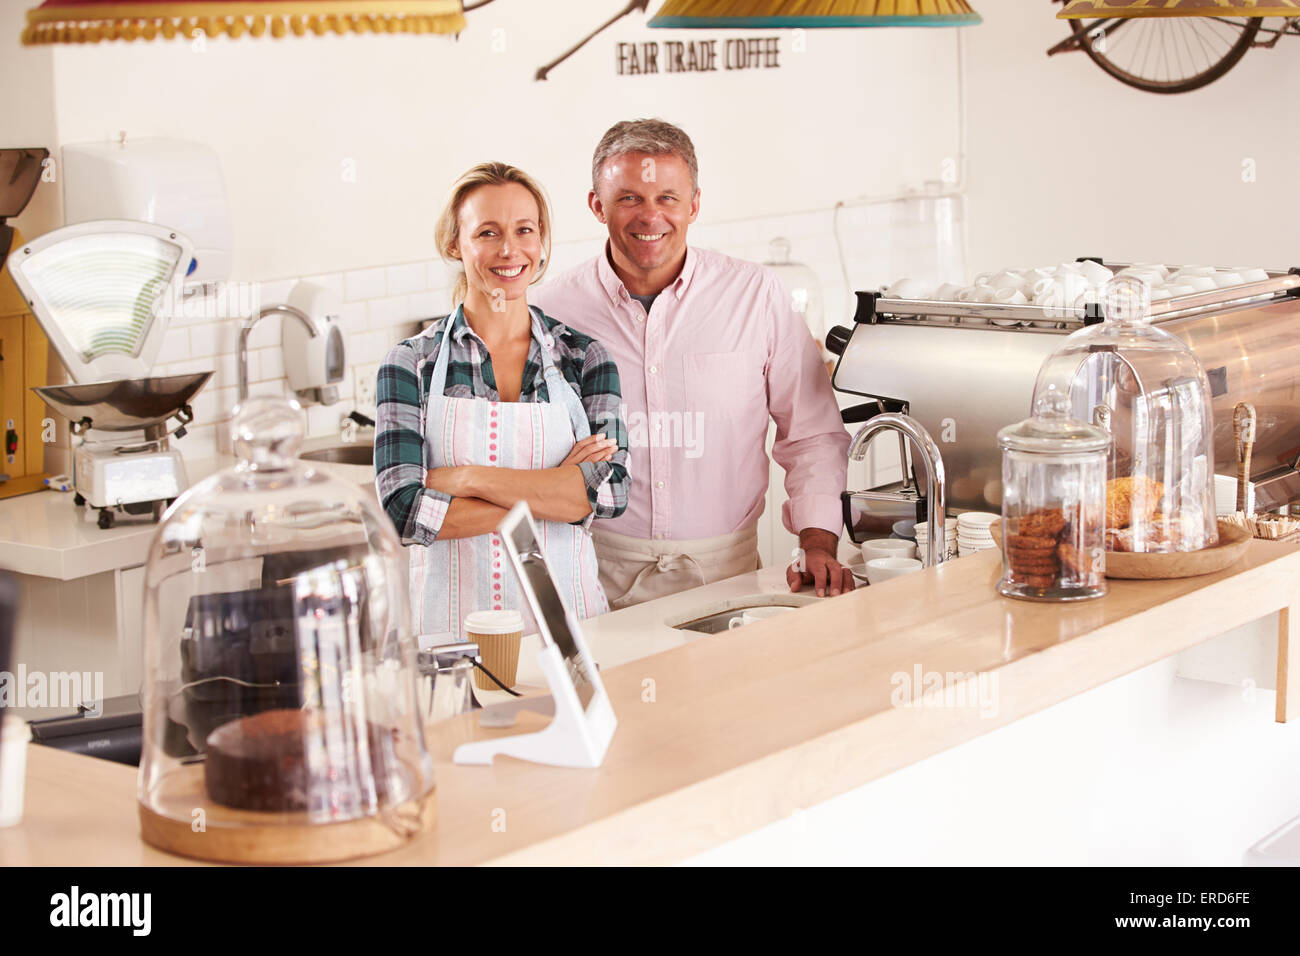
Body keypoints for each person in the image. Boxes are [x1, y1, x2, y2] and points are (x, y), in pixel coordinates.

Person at [531, 119, 852, 608]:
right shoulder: (552, 310)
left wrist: (817, 541)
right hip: (591, 575)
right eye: (629, 198)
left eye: (667, 198)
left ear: (694, 204)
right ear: (597, 205)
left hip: (729, 577)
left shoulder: (756, 295)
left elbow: (811, 433)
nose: (650, 216)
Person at [375, 162, 630, 639]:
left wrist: (466, 479)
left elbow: (611, 494)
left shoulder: (585, 359)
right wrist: (561, 495)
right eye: (487, 233)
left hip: (572, 631)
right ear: (456, 243)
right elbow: (403, 512)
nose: (509, 250)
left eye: (524, 230)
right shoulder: (411, 365)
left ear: (541, 241)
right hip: (448, 638)